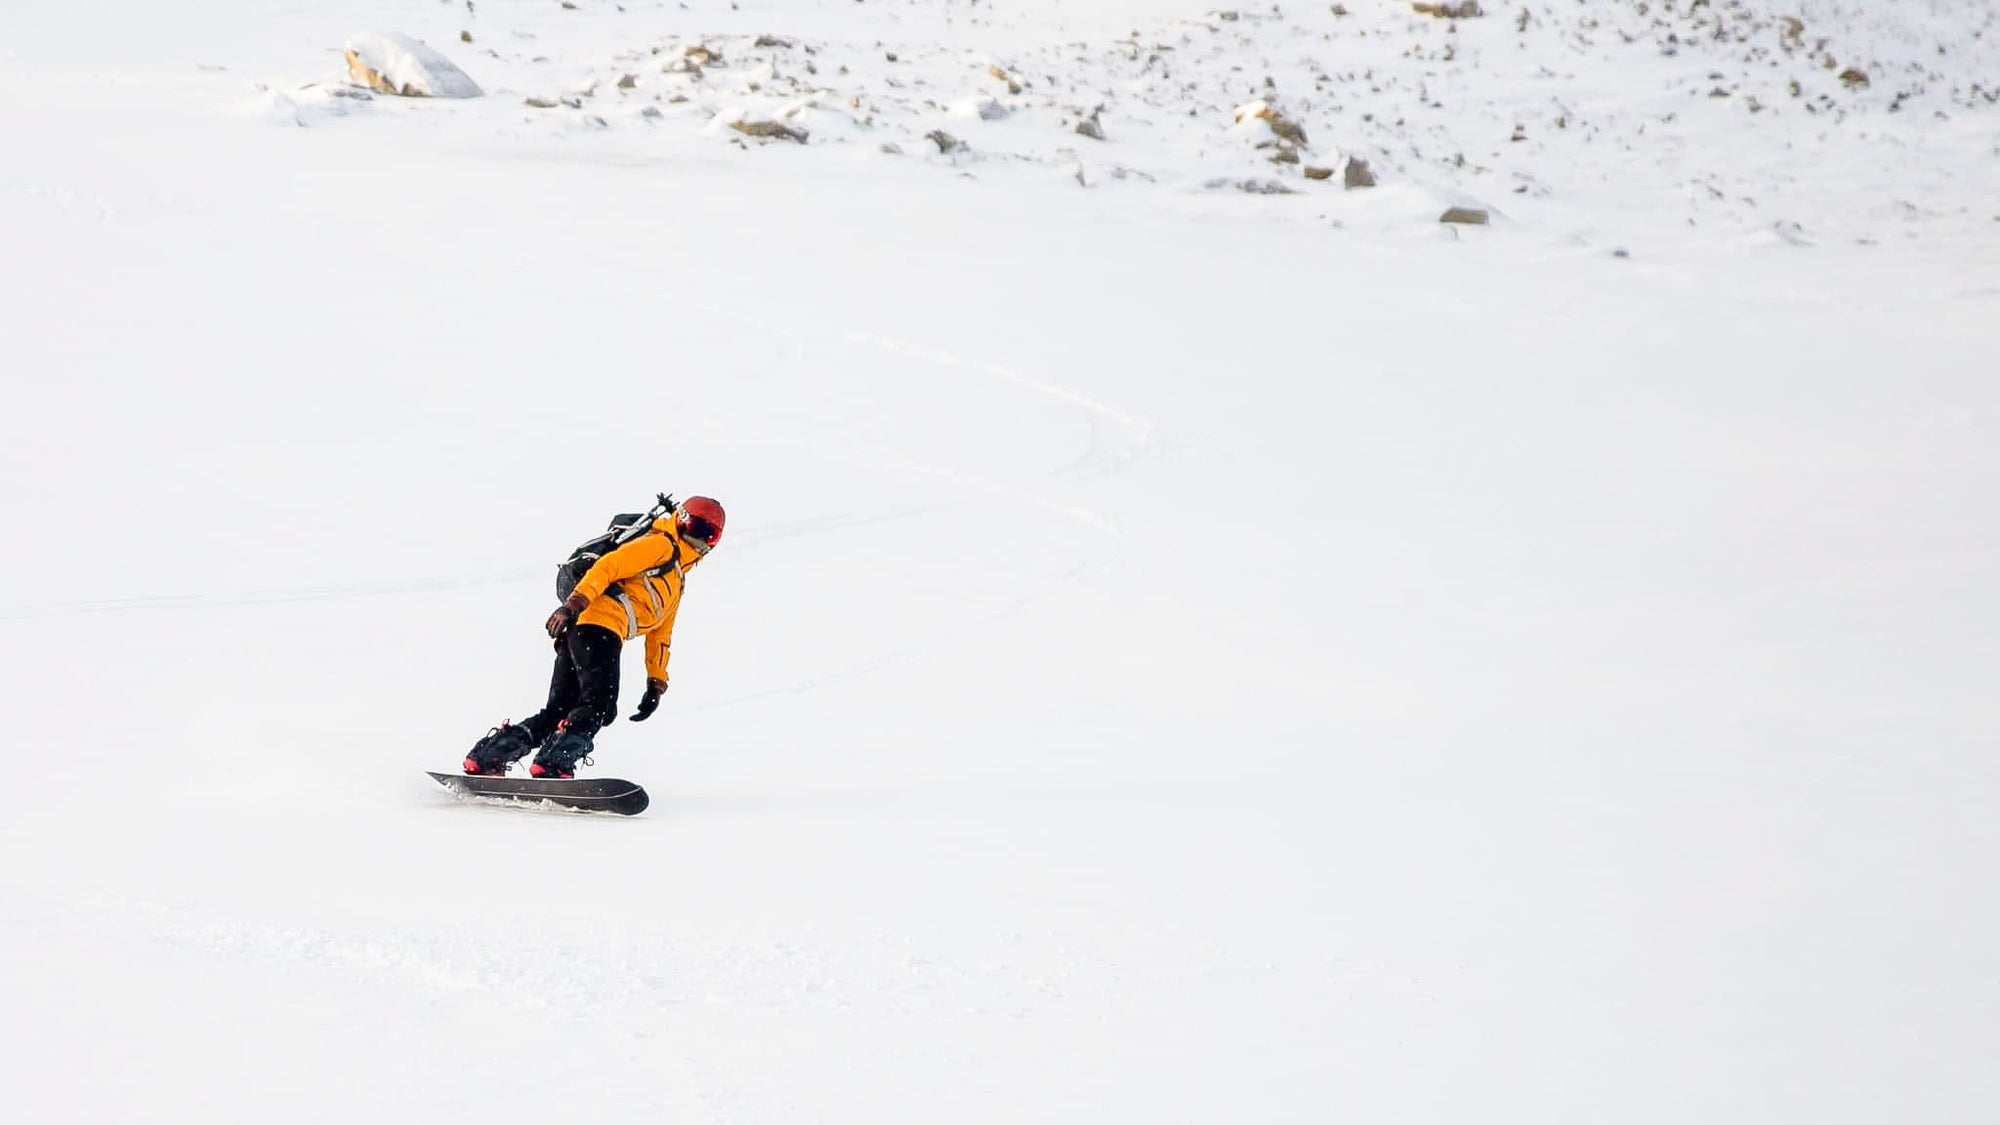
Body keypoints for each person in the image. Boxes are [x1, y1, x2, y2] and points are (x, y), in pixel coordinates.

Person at [463, 496, 726, 779]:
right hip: (598, 626)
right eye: (696, 526)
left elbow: (662, 633)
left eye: (709, 533)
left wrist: (656, 681)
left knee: (559, 710)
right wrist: (573, 604)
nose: (699, 538)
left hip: (583, 628)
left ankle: (489, 756)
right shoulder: (660, 545)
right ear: (681, 518)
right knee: (599, 706)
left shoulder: (676, 578)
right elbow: (607, 567)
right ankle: (554, 763)